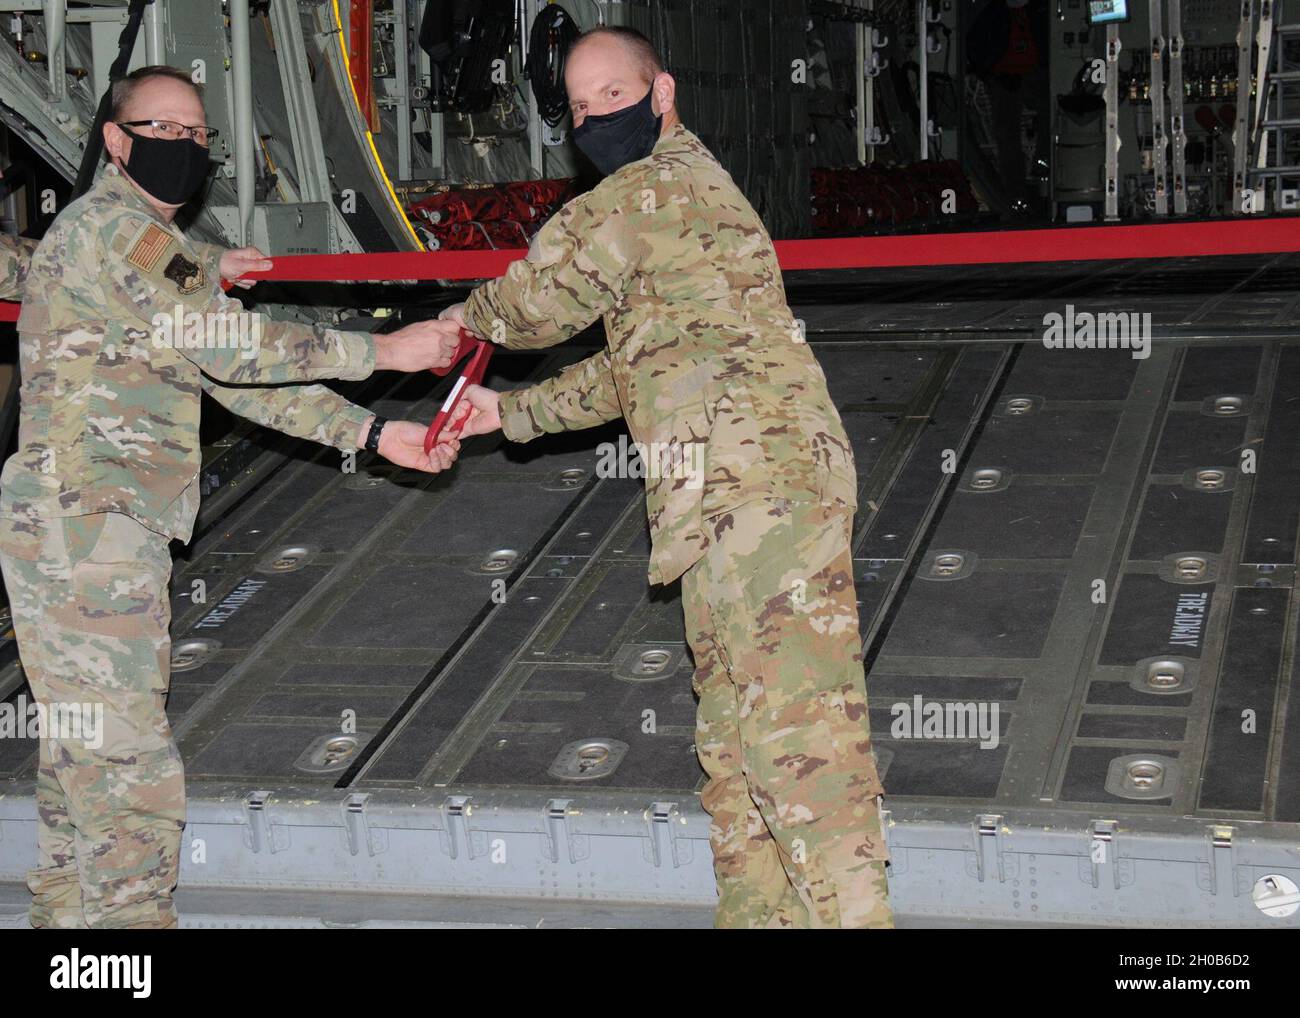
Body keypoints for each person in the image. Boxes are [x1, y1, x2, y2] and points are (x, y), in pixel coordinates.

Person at [443, 27, 891, 929]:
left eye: (614, 94)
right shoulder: (684, 200)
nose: (597, 116)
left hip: (755, 496)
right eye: (578, 107)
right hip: (730, 503)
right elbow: (638, 365)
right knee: (737, 755)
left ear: (663, 91)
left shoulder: (649, 191)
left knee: (804, 751)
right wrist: (513, 413)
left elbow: (537, 300)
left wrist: (452, 323)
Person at [0, 65, 464, 929]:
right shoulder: (118, 234)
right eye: (161, 129)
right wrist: (384, 354)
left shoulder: (139, 242)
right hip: (87, 528)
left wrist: (369, 433)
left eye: (195, 135)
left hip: (85, 526)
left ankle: (74, 942)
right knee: (128, 767)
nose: (183, 147)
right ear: (114, 137)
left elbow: (235, 382)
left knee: (83, 756)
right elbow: (229, 344)